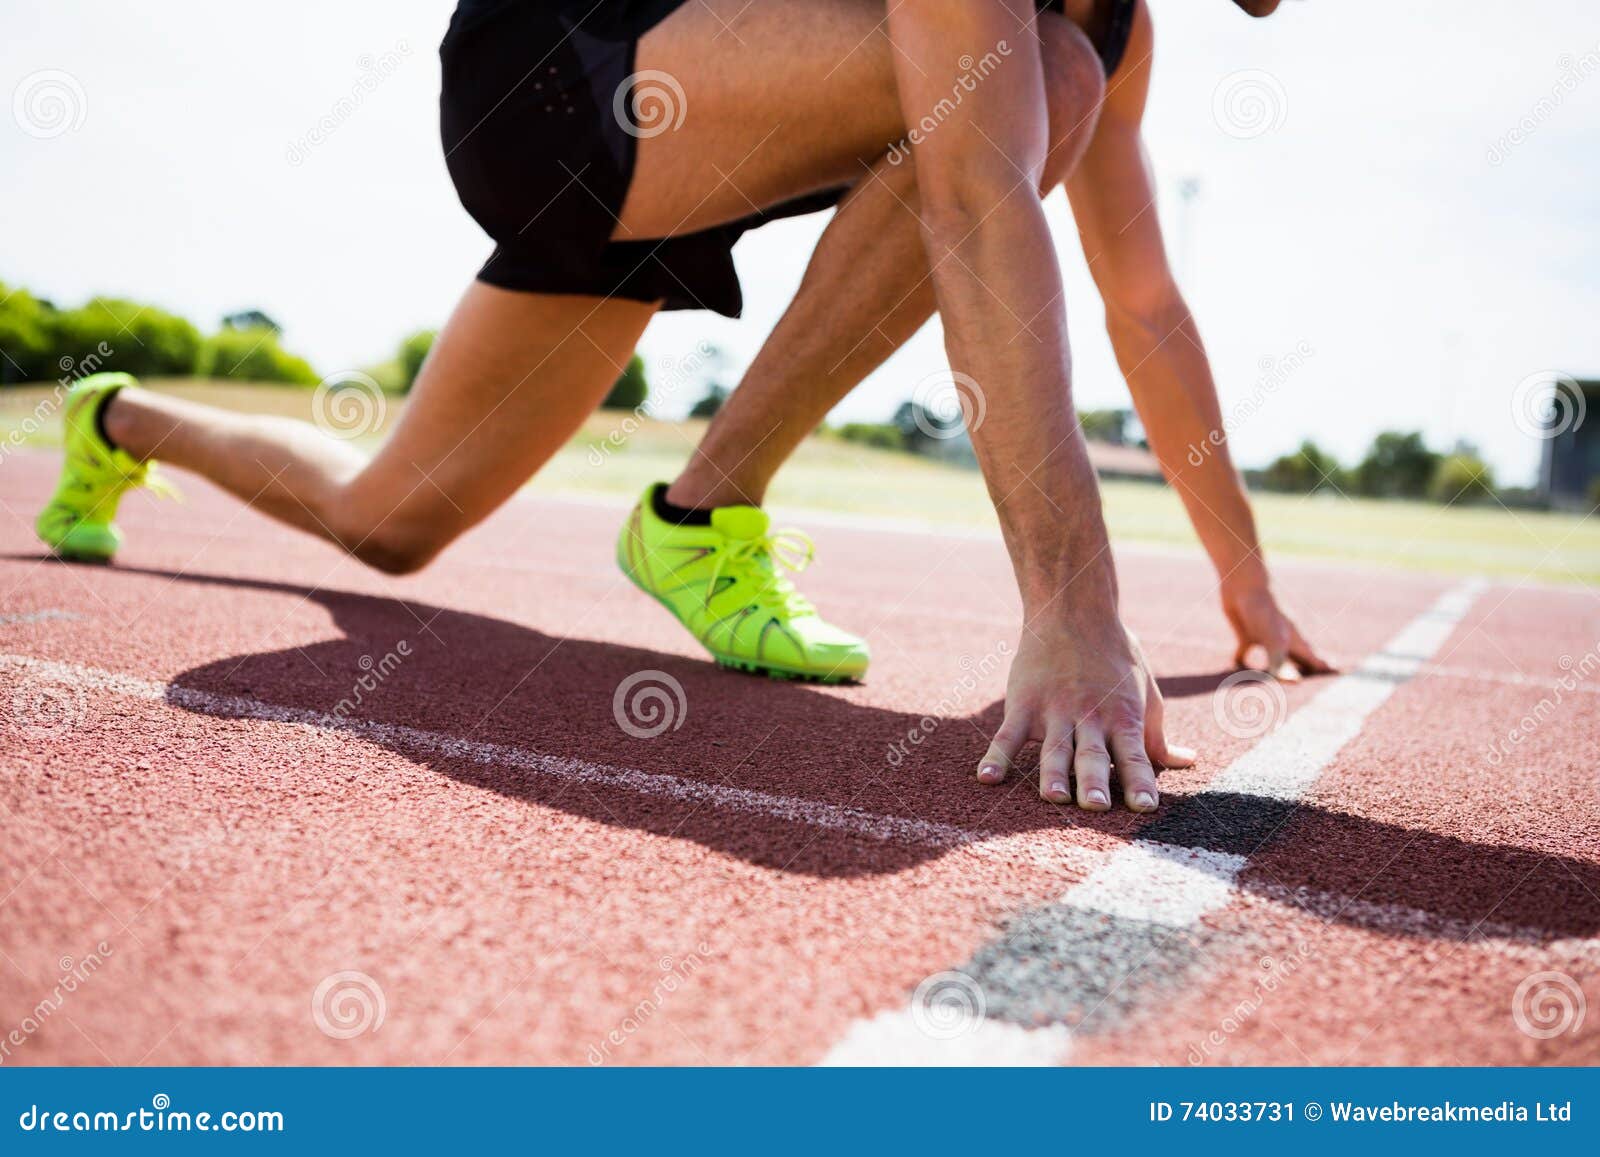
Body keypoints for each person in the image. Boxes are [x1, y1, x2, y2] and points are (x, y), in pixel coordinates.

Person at [36, 0, 1292, 819]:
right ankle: (703, 507)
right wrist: (1075, 609)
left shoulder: (1118, 27)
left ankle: (119, 422)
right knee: (1027, 88)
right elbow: (972, 188)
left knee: (391, 520)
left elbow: (1146, 303)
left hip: (699, 151)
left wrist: (1242, 574)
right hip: (566, 69)